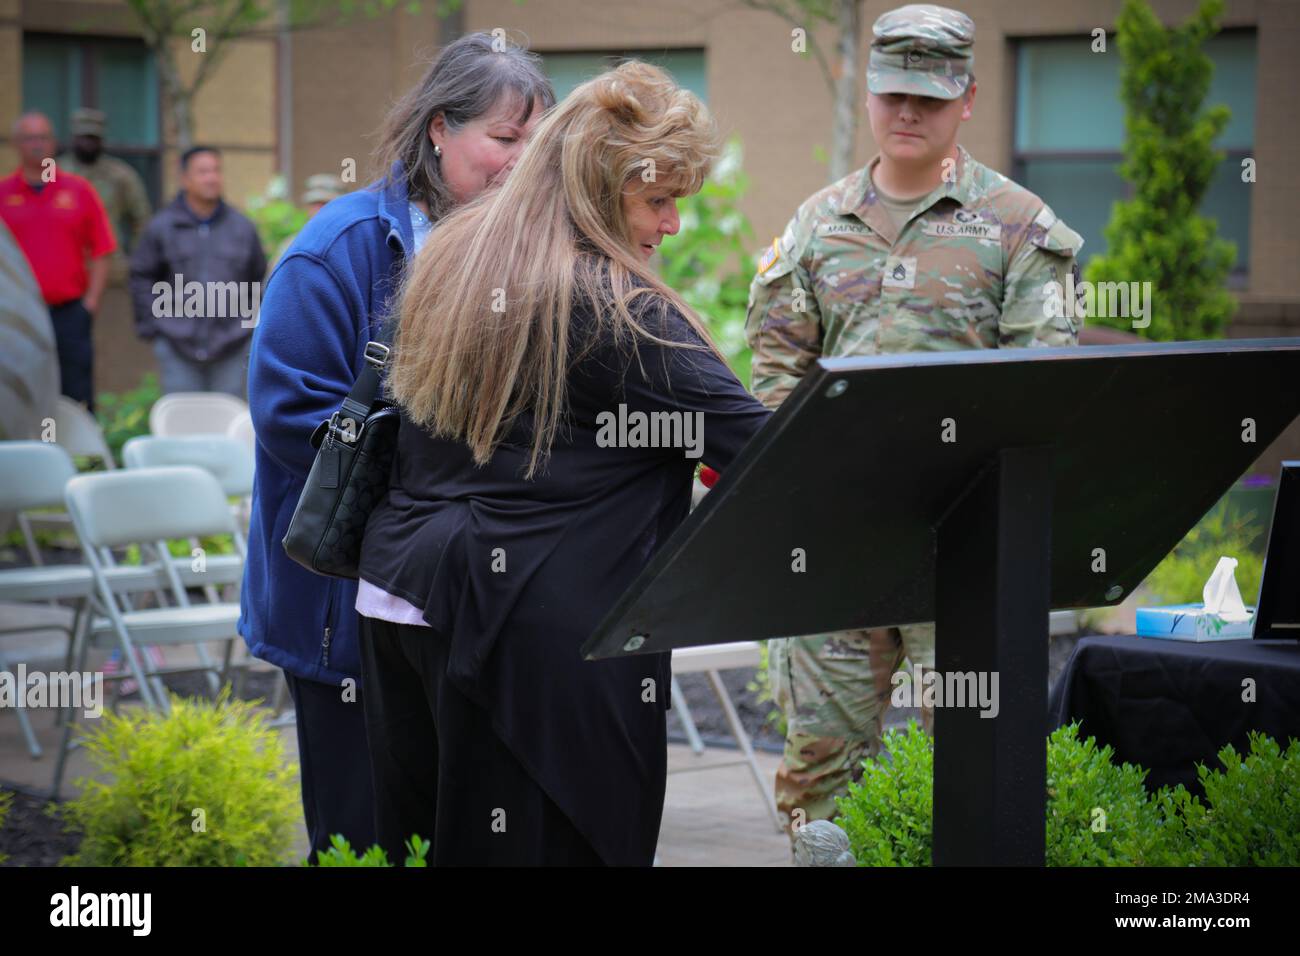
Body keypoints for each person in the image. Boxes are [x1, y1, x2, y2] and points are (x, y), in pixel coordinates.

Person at [354, 59, 772, 867]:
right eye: (658, 199)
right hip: (525, 640)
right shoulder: (620, 310)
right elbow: (766, 451)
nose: (673, 224)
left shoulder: (454, 256)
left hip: (402, 603)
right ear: (595, 188)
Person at [745, 2, 1084, 845]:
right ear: (869, 94)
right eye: (893, 94)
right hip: (840, 542)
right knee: (820, 766)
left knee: (978, 756)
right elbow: (778, 381)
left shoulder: (1017, 228)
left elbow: (1045, 396)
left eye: (929, 101)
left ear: (967, 99)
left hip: (967, 546)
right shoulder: (816, 225)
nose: (907, 114)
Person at [238, 31, 555, 863]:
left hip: (463, 612)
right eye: (505, 138)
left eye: (538, 143)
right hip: (341, 617)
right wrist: (432, 485)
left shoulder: (520, 255)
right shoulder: (335, 253)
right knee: (361, 842)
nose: (524, 163)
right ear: (439, 130)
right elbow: (287, 417)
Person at [128, 145, 266, 398]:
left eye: (216, 171)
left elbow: (258, 278)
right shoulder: (162, 227)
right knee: (183, 426)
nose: (211, 178)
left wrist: (250, 331)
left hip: (232, 348)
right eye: (203, 172)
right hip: (177, 347)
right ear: (185, 179)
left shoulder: (242, 228)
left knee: (229, 425)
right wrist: (154, 327)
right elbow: (141, 277)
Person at [0, 111, 116, 411]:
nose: (37, 145)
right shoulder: (3, 194)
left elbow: (103, 250)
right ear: (16, 143)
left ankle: (84, 460)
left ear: (54, 143)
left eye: (43, 137)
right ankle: (27, 458)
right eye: (29, 138)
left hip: (69, 313)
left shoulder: (78, 191)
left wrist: (89, 303)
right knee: (19, 396)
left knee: (77, 396)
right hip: (16, 318)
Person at [57, 107, 152, 279]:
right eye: (83, 138)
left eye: (94, 138)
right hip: (64, 269)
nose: (88, 143)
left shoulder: (120, 175)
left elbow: (142, 218)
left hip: (111, 270)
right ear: (74, 138)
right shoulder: (55, 173)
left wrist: (135, 259)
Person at [267, 173, 346, 270]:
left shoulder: (351, 245)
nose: (319, 210)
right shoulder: (292, 244)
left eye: (326, 204)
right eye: (314, 204)